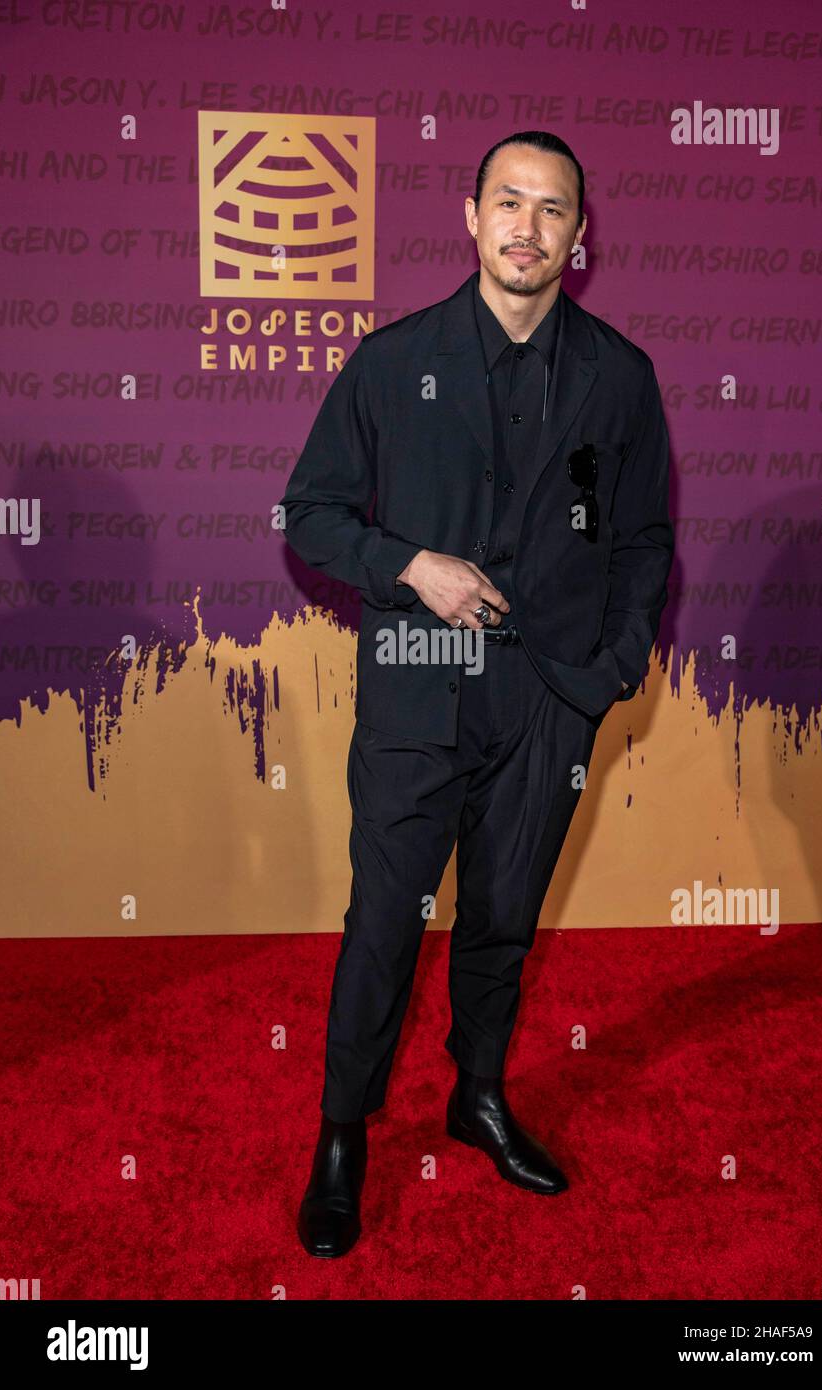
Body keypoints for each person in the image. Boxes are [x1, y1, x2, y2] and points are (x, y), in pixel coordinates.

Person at [281, 130, 674, 1258]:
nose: (527, 226)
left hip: (547, 700)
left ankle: (478, 1094)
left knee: (501, 922)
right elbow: (310, 514)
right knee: (380, 927)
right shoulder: (387, 360)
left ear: (577, 238)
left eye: (552, 209)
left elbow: (645, 539)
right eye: (508, 201)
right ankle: (342, 1132)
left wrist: (609, 671)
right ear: (468, 216)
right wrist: (411, 567)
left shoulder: (620, 377)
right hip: (416, 692)